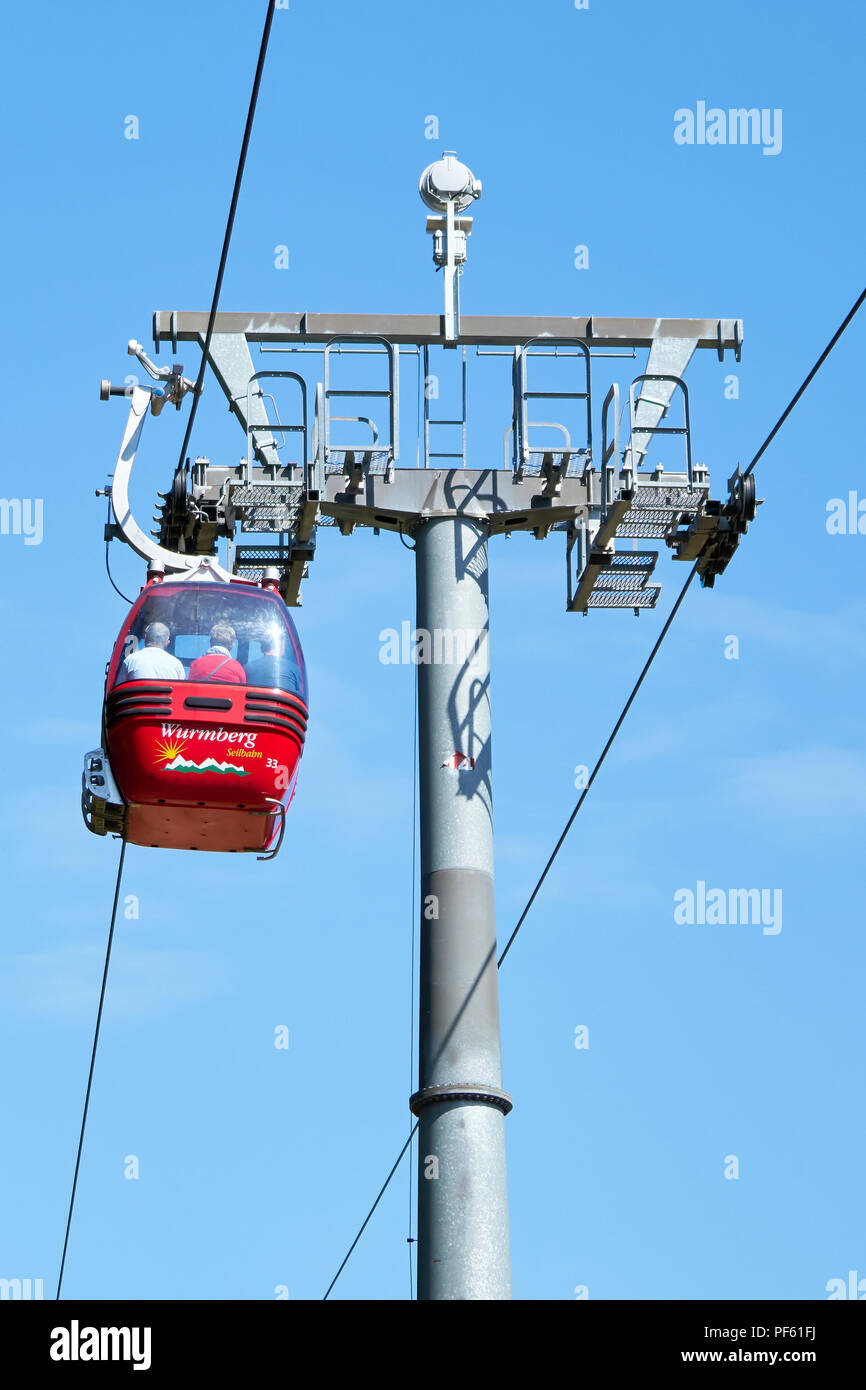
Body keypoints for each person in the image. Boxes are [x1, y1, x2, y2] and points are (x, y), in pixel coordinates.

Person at [117, 621, 185, 683]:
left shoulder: (130, 660)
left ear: (145, 637)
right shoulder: (177, 665)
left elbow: (118, 691)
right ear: (167, 643)